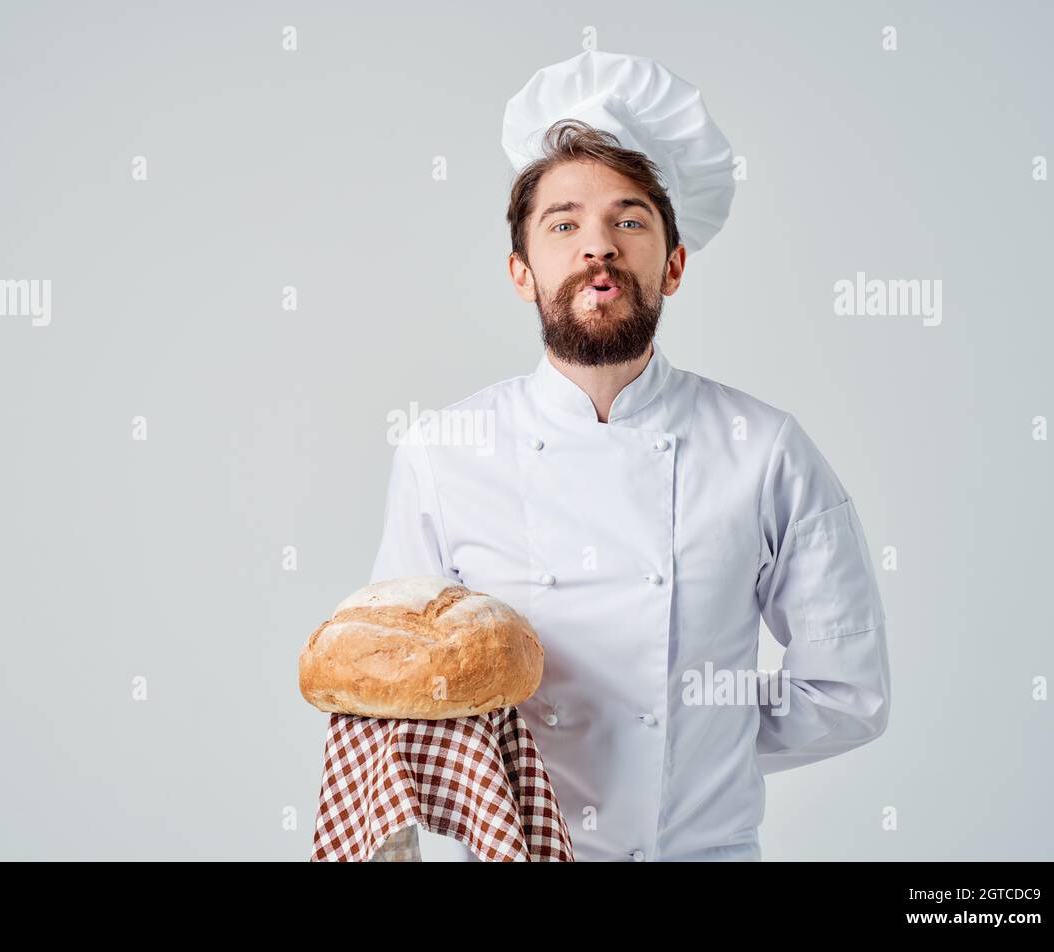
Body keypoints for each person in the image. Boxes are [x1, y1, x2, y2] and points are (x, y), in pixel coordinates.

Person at [370, 51, 891, 862]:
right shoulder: (444, 452)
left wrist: (689, 730)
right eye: (564, 223)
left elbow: (848, 691)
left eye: (631, 220)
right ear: (522, 272)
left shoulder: (766, 450)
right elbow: (401, 687)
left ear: (673, 266)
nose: (598, 248)